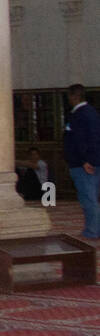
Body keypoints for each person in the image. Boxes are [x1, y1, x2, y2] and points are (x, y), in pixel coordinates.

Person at [63, 84, 100, 241]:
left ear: (74, 96)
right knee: (93, 197)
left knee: (88, 198)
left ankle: (92, 231)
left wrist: (85, 160)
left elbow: (80, 140)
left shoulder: (79, 114)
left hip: (83, 164)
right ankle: (94, 229)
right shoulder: (93, 112)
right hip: (94, 161)